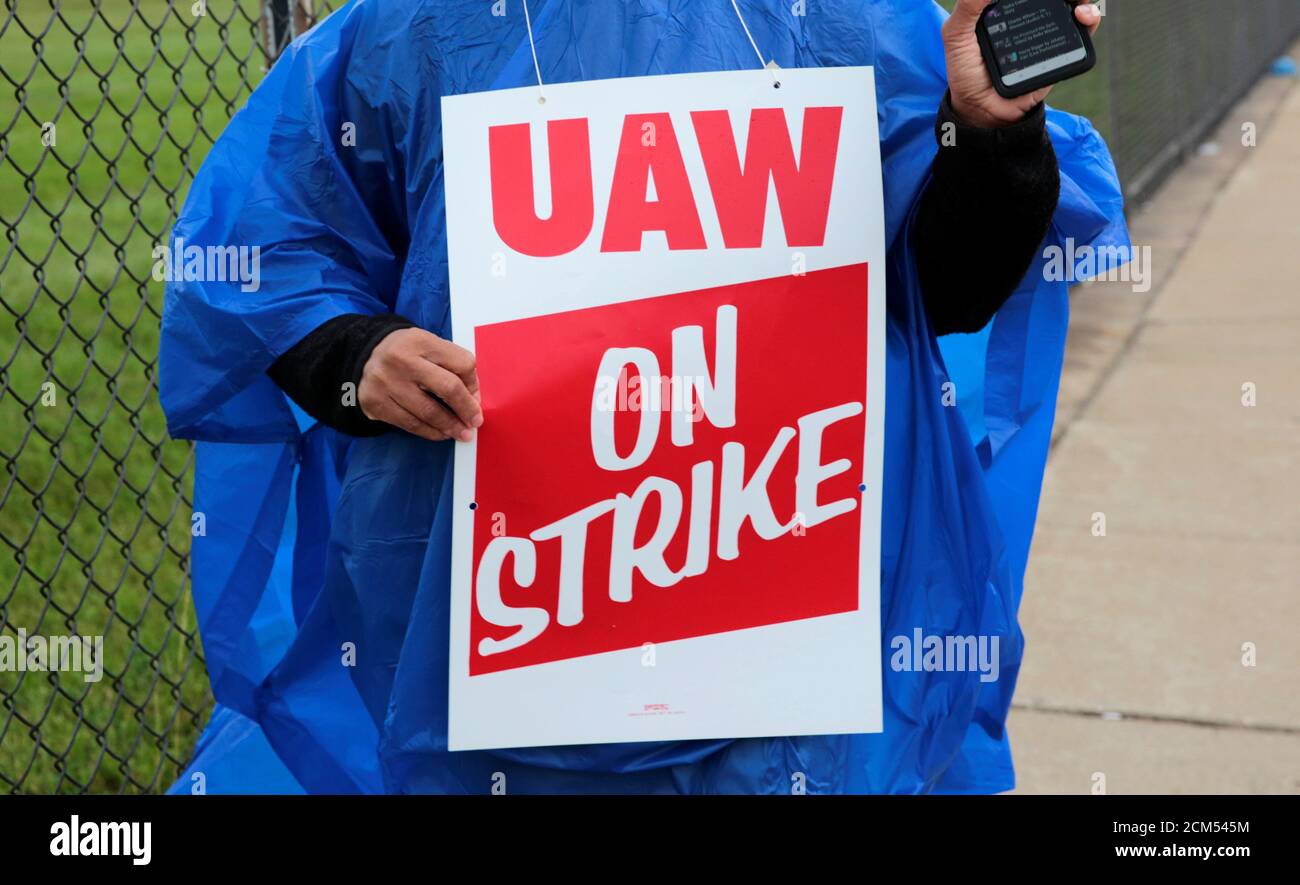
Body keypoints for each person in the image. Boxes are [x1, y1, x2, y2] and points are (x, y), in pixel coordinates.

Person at [161, 0, 1127, 794]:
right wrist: (356, 354)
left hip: (784, 635)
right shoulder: (418, 25)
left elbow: (947, 289)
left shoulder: (856, 23)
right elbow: (270, 238)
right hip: (509, 642)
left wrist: (990, 129)